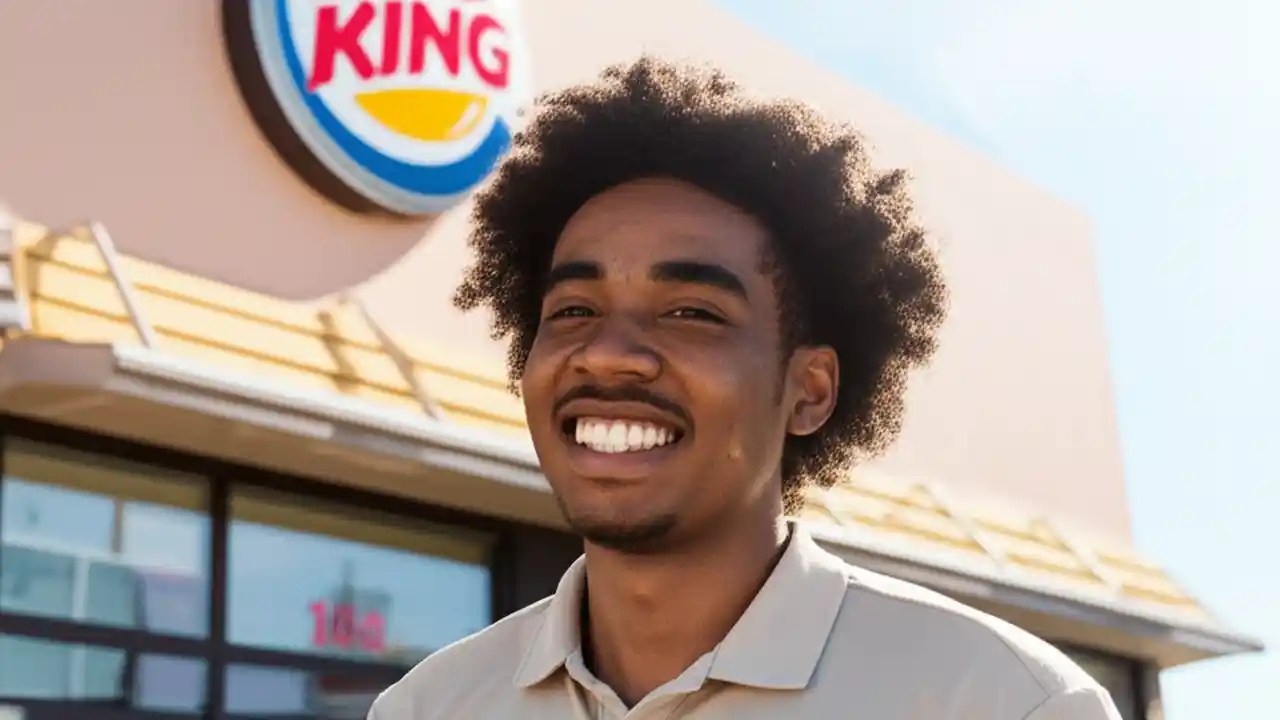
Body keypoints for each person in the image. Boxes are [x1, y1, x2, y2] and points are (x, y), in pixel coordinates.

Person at [368, 57, 1121, 720]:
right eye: (573, 310)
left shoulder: (1004, 703)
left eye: (691, 312)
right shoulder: (426, 708)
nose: (608, 354)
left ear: (809, 390)